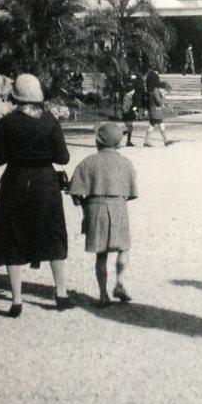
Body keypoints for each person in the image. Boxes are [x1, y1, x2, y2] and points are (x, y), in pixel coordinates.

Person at [0, 73, 72, 317]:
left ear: (15, 96)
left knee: (13, 236)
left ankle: (16, 300)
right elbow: (63, 157)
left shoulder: (6, 123)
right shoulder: (50, 121)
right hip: (45, 183)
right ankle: (61, 293)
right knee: (53, 233)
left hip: (15, 182)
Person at [69, 121, 138, 306]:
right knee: (124, 248)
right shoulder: (125, 163)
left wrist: (83, 204)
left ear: (98, 142)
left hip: (94, 208)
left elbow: (75, 194)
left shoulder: (87, 162)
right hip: (118, 207)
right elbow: (131, 193)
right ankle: (120, 282)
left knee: (101, 255)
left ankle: (102, 294)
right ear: (118, 143)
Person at [143, 71, 171, 147]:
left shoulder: (153, 90)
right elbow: (158, 102)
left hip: (155, 111)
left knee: (154, 125)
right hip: (156, 111)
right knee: (158, 125)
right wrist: (163, 97)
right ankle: (165, 141)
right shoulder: (155, 90)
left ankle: (148, 141)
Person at [120, 72, 145, 147]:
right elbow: (125, 107)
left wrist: (134, 109)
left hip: (129, 114)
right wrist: (130, 111)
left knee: (130, 128)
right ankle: (120, 135)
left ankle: (128, 141)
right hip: (127, 115)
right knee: (130, 128)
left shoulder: (129, 97)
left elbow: (133, 107)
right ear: (130, 91)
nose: (134, 91)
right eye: (133, 90)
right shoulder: (126, 98)